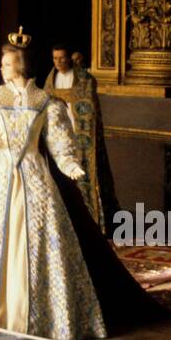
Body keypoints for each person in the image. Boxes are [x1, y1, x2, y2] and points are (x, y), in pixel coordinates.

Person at [0, 27, 163, 340]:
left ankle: (38, 314)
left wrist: (71, 165)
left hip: (33, 175)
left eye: (6, 64)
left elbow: (59, 142)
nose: (1, 69)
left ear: (20, 66)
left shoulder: (46, 102)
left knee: (41, 238)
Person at [44, 42, 120, 231]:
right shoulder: (50, 80)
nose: (58, 62)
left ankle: (92, 217)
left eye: (62, 58)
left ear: (69, 57)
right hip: (60, 133)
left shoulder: (84, 79)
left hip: (80, 132)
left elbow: (89, 108)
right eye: (55, 58)